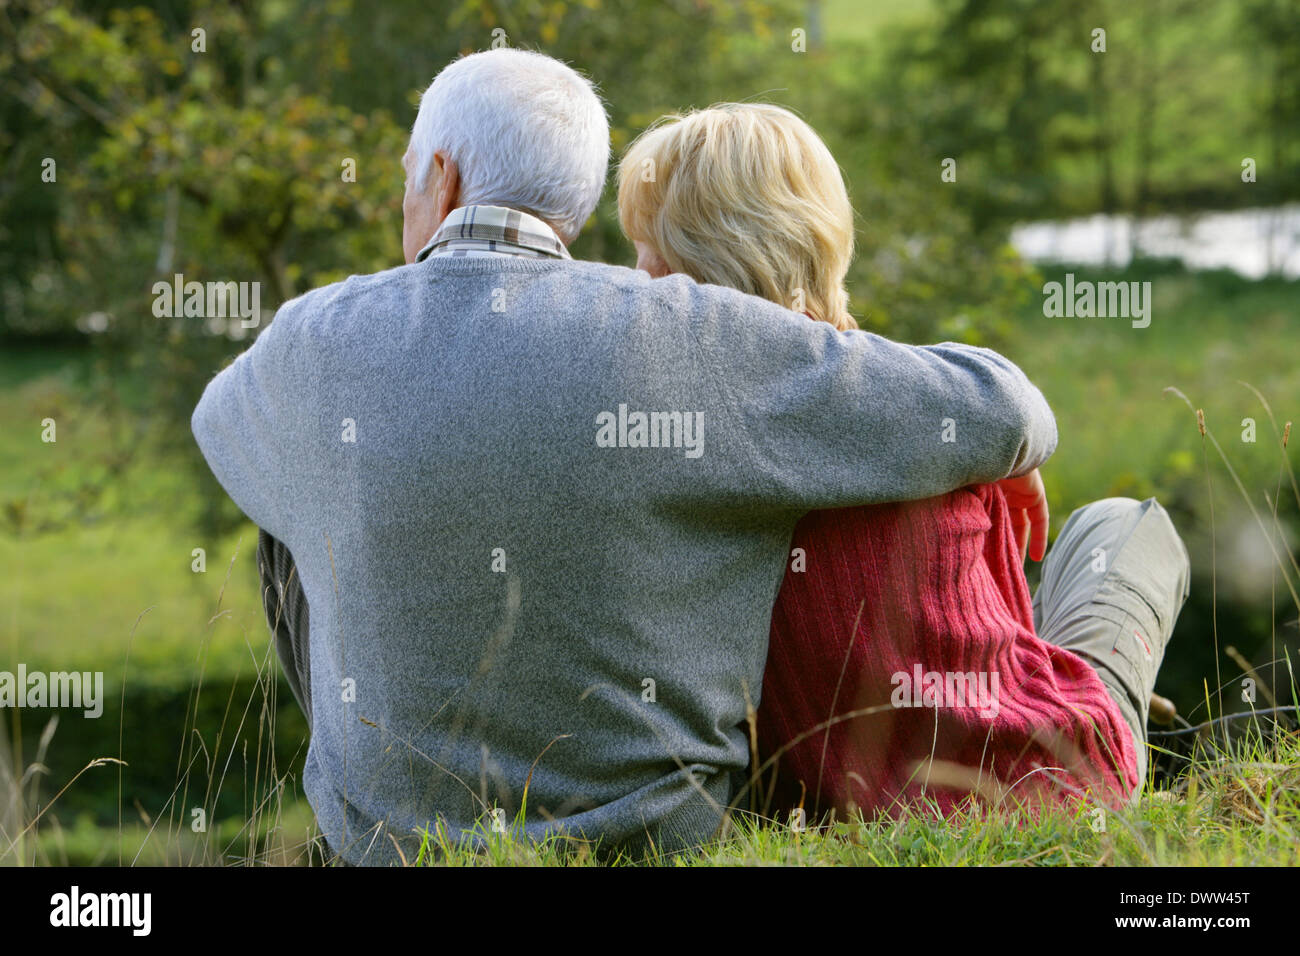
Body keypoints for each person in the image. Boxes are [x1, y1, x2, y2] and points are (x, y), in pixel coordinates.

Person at [193, 50, 1057, 865]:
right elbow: (1002, 405)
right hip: (658, 837)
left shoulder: (309, 338)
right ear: (573, 198)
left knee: (291, 510)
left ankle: (392, 784)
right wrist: (1006, 462)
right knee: (1120, 536)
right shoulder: (688, 332)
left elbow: (218, 429)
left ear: (442, 178)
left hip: (386, 844)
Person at [616, 103, 1192, 822]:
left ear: (676, 268)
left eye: (645, 255)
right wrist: (1006, 458)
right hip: (1056, 780)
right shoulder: (927, 411)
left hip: (832, 801)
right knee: (1125, 525)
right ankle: (1122, 706)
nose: (636, 277)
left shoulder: (680, 446)